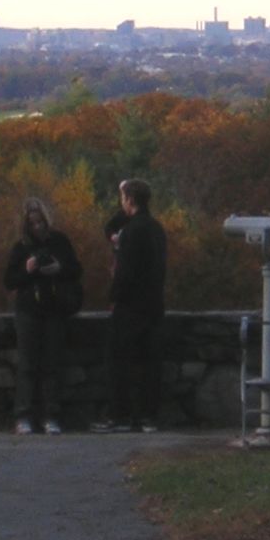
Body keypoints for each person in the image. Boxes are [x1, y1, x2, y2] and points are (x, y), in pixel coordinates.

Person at [91, 178, 167, 434]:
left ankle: (119, 415)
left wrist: (115, 297)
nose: (121, 202)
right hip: (154, 304)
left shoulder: (133, 232)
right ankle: (148, 416)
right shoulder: (156, 228)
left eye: (123, 198)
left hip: (130, 306)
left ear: (130, 200)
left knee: (118, 361)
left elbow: (125, 273)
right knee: (149, 364)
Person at [4, 196, 81, 435]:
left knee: (51, 365)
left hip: (54, 310)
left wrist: (59, 269)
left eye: (40, 222)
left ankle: (51, 415)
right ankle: (24, 415)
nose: (37, 227)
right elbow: (9, 281)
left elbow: (76, 270)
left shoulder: (60, 242)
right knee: (27, 365)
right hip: (28, 311)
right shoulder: (20, 247)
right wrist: (27, 271)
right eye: (33, 223)